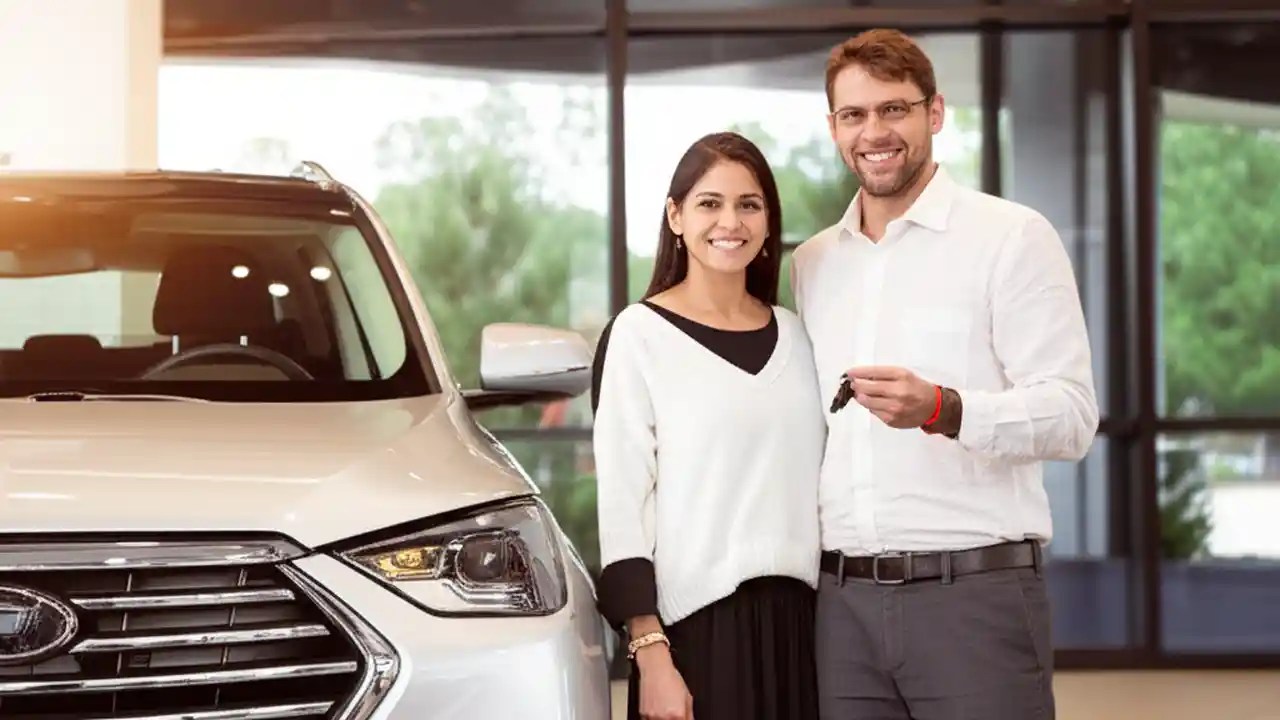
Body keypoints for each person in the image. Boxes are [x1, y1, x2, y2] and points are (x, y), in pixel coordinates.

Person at [790, 28, 1100, 720]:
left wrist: (944, 409)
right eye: (854, 114)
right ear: (835, 127)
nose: (875, 131)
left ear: (934, 113)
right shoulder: (812, 264)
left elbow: (1073, 416)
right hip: (842, 606)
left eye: (894, 109)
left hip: (973, 599)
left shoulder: (1011, 237)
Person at [592, 131, 827, 720]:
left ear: (769, 220)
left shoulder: (798, 336)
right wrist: (651, 654)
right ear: (675, 216)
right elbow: (623, 507)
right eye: (709, 203)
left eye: (749, 204)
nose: (731, 221)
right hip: (693, 637)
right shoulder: (638, 335)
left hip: (802, 632)